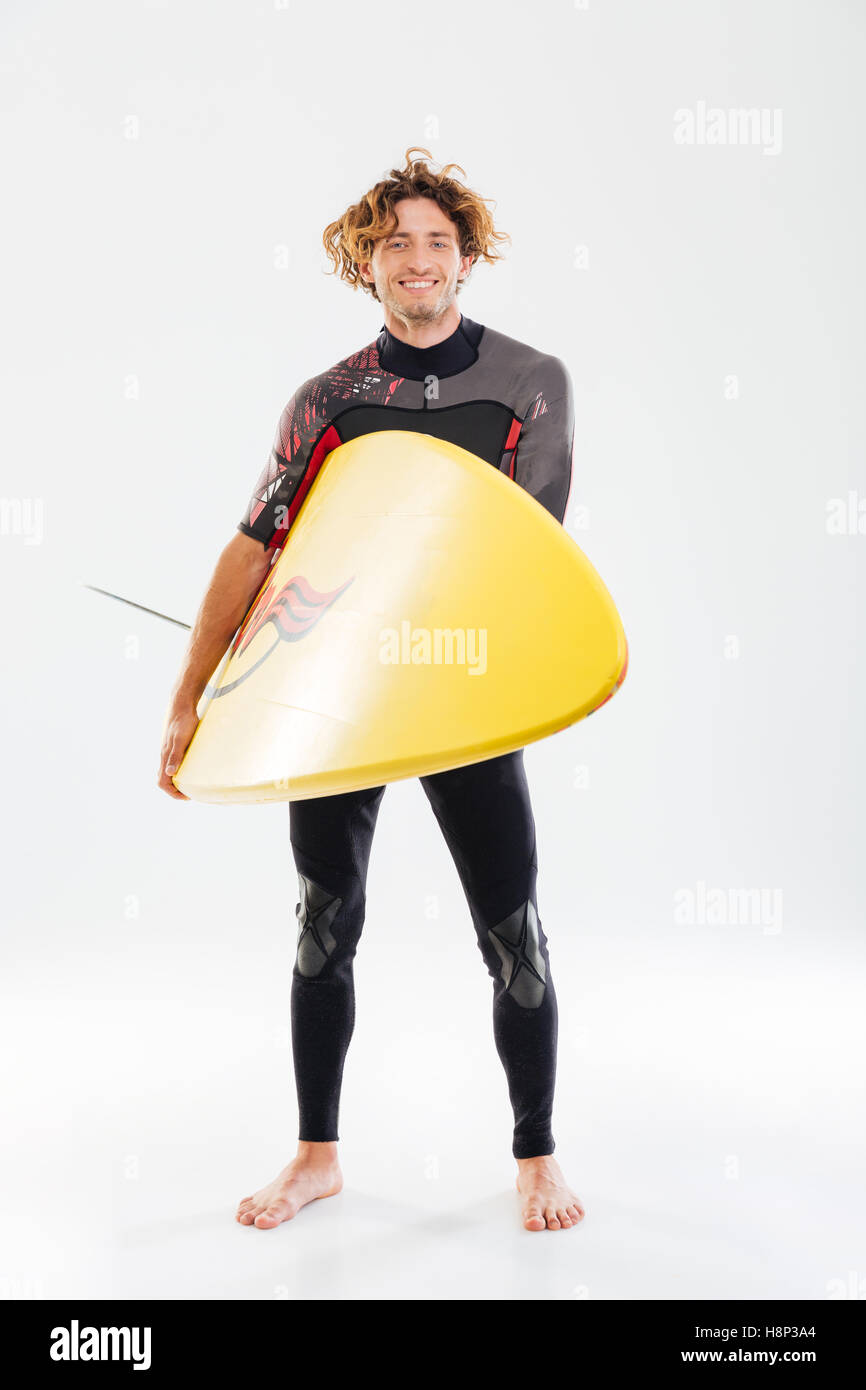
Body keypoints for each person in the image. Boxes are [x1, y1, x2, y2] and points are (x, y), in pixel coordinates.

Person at [159, 148, 585, 1234]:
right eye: (394, 242)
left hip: (462, 695)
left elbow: (532, 554)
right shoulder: (331, 399)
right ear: (368, 263)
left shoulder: (531, 382)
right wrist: (188, 700)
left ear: (467, 256)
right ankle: (315, 1155)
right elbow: (257, 546)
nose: (417, 259)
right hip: (336, 695)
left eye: (437, 240)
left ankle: (535, 1154)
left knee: (512, 931)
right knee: (323, 921)